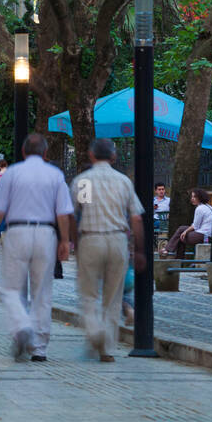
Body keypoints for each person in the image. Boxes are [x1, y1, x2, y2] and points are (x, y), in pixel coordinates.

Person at [0, 133, 74, 362]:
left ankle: (21, 326)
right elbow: (63, 212)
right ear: (45, 154)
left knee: (11, 288)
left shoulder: (12, 173)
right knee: (42, 291)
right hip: (46, 234)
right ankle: (39, 347)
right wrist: (64, 240)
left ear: (23, 153)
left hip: (16, 232)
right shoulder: (55, 175)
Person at [71, 138, 144, 363]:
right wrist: (139, 250)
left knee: (89, 292)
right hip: (118, 240)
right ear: (113, 157)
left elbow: (73, 214)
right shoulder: (123, 182)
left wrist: (73, 240)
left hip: (91, 239)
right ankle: (108, 350)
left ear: (91, 155)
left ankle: (94, 331)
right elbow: (136, 218)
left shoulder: (83, 182)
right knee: (113, 297)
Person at [163, 188, 212, 255]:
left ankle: (171, 252)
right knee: (181, 229)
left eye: (195, 197)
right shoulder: (209, 206)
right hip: (207, 234)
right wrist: (185, 231)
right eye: (192, 196)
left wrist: (185, 231)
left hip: (205, 236)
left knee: (181, 237)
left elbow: (195, 226)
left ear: (200, 197)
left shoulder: (200, 209)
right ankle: (170, 252)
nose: (192, 199)